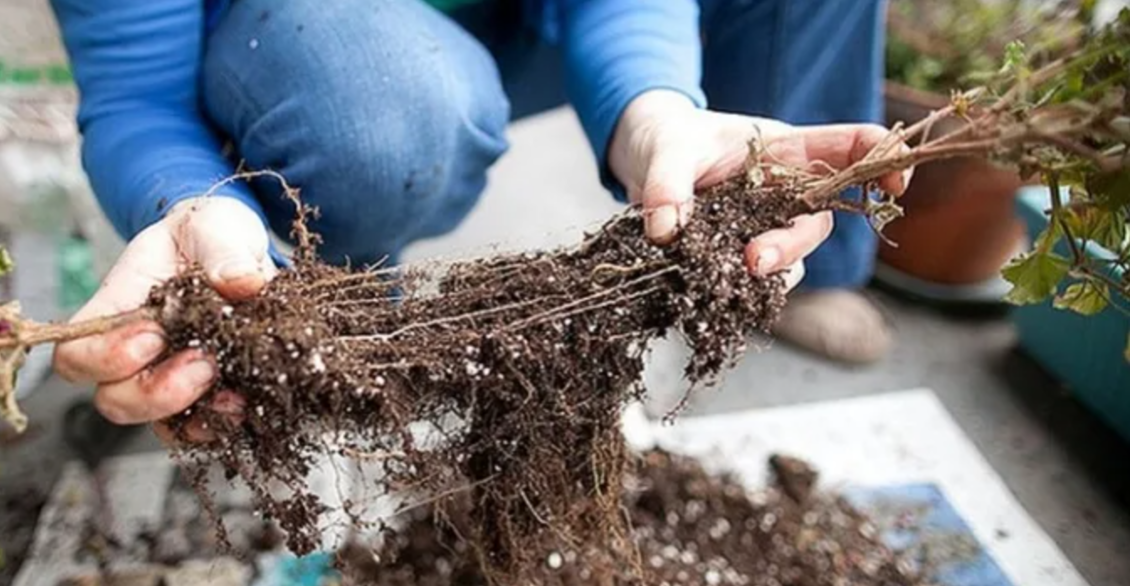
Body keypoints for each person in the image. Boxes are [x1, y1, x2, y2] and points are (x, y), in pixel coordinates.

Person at [50, 0, 907, 440]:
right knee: (378, 121)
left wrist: (652, 112)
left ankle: (786, 258)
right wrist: (196, 205)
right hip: (313, 48)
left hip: (533, 27)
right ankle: (340, 317)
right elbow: (140, 96)